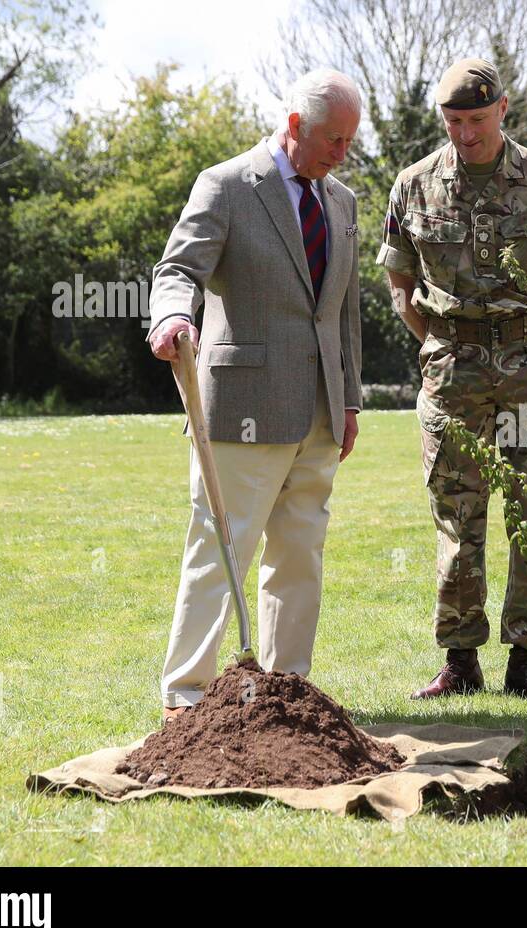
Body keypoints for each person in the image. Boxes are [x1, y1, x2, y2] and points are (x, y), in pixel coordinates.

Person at [146, 70, 364, 720]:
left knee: (300, 557)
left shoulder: (343, 201)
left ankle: (285, 696)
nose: (341, 153)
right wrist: (170, 317)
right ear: (294, 125)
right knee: (221, 552)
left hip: (321, 413)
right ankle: (186, 703)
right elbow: (178, 268)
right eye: (332, 138)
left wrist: (349, 399)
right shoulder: (228, 185)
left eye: (350, 141)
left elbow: (343, 310)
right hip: (241, 410)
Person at [377, 58, 527, 705]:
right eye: (452, 122)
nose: (464, 134)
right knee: (456, 515)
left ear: (502, 109)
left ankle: (526, 663)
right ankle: (460, 660)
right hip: (452, 372)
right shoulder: (413, 186)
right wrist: (447, 345)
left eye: (474, 120)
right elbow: (400, 285)